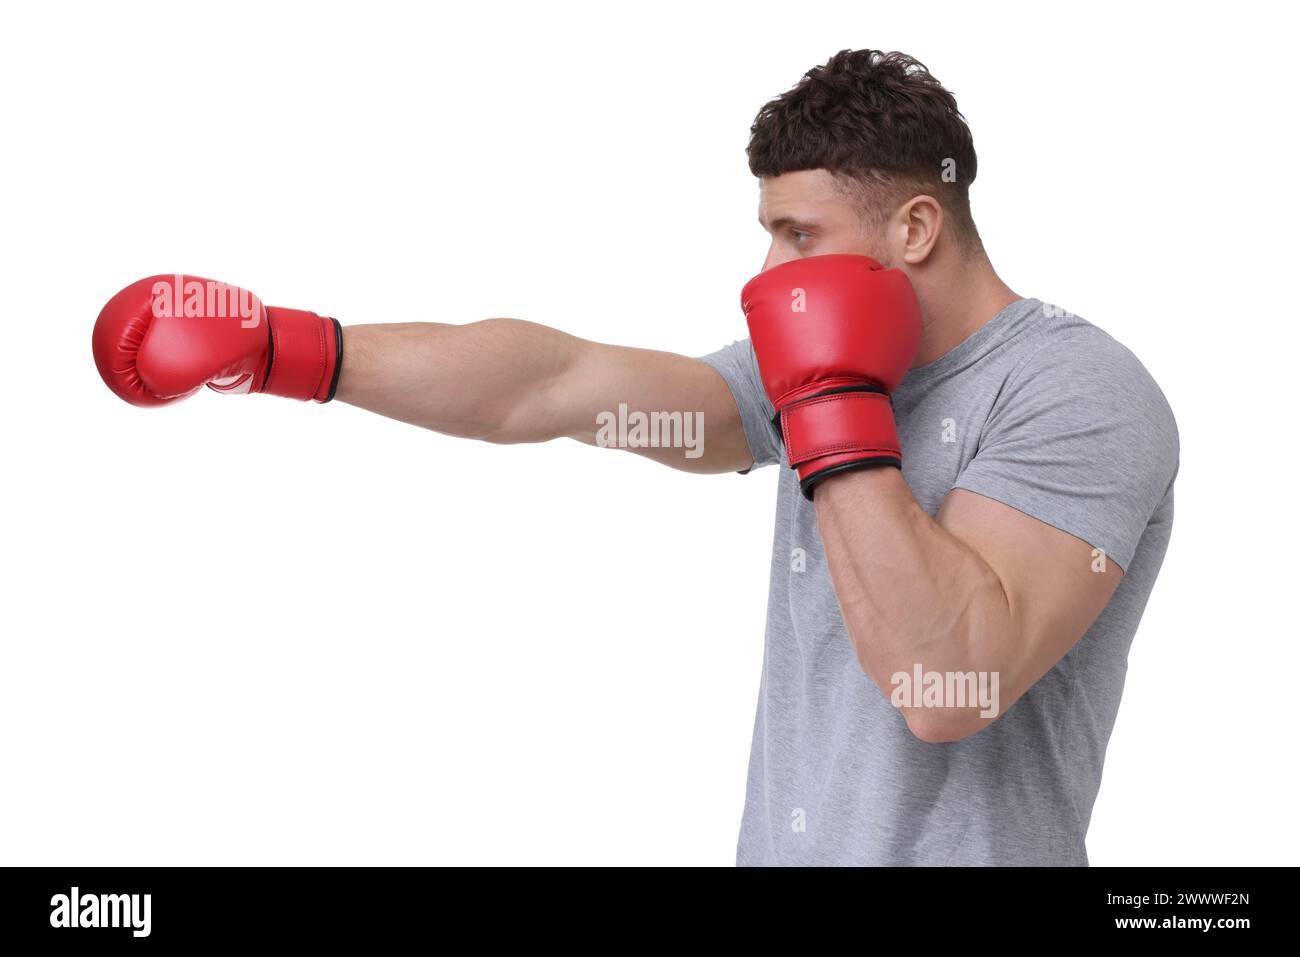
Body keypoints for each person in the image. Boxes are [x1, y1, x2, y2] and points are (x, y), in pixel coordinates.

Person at [92, 49, 1179, 866]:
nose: (768, 268)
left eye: (798, 234)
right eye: (768, 231)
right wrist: (289, 350)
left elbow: (949, 685)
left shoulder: (1077, 391)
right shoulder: (821, 372)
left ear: (915, 228)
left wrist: (833, 405)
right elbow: (550, 385)